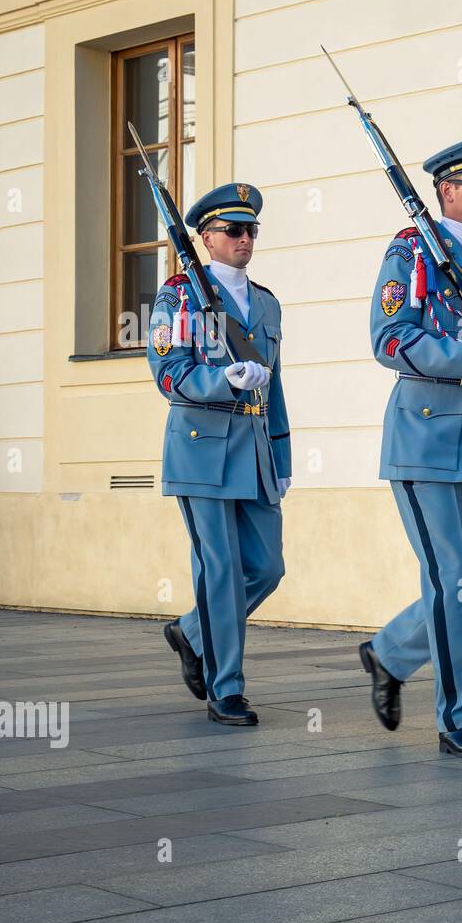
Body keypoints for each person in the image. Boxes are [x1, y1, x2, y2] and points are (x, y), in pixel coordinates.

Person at [358, 135, 462, 759]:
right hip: (426, 436)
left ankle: (389, 652)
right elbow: (389, 339)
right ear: (446, 191)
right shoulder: (410, 252)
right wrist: (461, 354)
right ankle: (459, 716)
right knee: (452, 576)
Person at [151, 183, 291, 726]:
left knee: (268, 567)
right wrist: (223, 380)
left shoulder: (267, 303)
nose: (244, 238)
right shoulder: (179, 295)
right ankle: (225, 688)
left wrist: (280, 455)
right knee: (223, 571)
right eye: (233, 230)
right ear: (206, 237)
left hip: (255, 451)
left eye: (251, 228)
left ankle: (189, 631)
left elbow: (275, 386)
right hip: (202, 450)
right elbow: (170, 373)